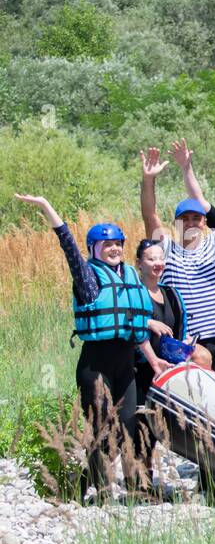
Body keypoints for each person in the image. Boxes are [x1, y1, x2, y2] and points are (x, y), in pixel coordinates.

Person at [16, 194, 159, 499]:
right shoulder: (88, 277)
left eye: (118, 243)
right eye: (106, 245)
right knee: (103, 429)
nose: (114, 248)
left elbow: (136, 325)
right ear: (94, 249)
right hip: (96, 365)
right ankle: (103, 493)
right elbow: (67, 244)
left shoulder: (131, 275)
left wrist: (156, 359)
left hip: (125, 363)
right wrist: (46, 206)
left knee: (128, 428)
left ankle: (86, 483)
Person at [139, 141, 215, 376]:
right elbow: (149, 215)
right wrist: (149, 179)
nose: (190, 223)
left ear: (204, 223)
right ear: (176, 223)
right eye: (185, 219)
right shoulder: (166, 248)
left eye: (196, 219)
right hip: (185, 337)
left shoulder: (214, 245)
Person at [131, 238, 213, 475]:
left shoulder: (172, 293)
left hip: (169, 370)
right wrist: (147, 321)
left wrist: (185, 344)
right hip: (141, 367)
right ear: (139, 263)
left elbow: (180, 329)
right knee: (141, 427)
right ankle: (140, 482)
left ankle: (205, 475)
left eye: (160, 258)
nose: (157, 263)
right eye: (151, 259)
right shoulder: (133, 292)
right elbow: (125, 320)